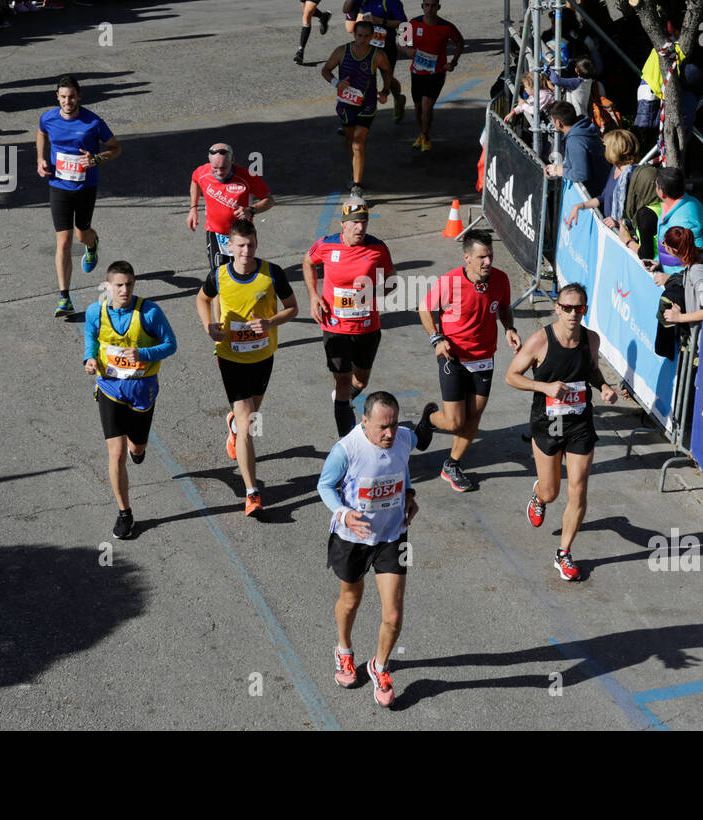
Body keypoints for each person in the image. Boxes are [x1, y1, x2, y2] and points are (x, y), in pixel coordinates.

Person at [504, 281, 618, 581]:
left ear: (585, 309)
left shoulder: (591, 339)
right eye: (566, 308)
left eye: (578, 308)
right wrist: (545, 386)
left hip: (580, 421)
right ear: (557, 308)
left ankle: (564, 552)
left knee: (578, 488)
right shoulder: (540, 341)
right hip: (549, 421)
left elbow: (592, 369)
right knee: (552, 491)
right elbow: (511, 376)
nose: (572, 314)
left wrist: (604, 387)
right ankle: (539, 497)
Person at [319, 391, 420, 708]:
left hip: (392, 535)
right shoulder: (346, 449)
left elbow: (401, 465)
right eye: (382, 427)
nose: (389, 433)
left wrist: (410, 493)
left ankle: (380, 667)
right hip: (354, 538)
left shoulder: (404, 438)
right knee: (351, 600)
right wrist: (344, 513)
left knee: (393, 613)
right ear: (364, 422)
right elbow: (324, 485)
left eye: (394, 424)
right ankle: (344, 650)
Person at [195, 218, 298, 516]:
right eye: (240, 245)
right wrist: (208, 326)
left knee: (250, 418)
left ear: (257, 243)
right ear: (230, 246)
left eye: (250, 244)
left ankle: (233, 426)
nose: (245, 251)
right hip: (230, 357)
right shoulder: (220, 275)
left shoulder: (272, 274)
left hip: (263, 357)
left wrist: (270, 322)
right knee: (247, 427)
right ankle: (252, 493)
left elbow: (293, 308)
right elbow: (202, 299)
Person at [304, 196, 428, 437]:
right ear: (343, 223)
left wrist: (375, 291)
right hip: (335, 326)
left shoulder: (377, 247)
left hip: (367, 328)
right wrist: (313, 295)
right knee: (341, 382)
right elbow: (308, 262)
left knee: (360, 382)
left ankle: (345, 400)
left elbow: (392, 280)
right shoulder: (327, 246)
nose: (360, 228)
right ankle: (347, 440)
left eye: (364, 222)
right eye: (355, 222)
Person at [418, 229, 521, 492]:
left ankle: (451, 465)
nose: (488, 262)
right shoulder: (449, 282)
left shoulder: (500, 279)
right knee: (455, 422)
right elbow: (425, 308)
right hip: (453, 356)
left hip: (484, 357)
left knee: (473, 416)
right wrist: (436, 339)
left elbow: (505, 306)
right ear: (467, 257)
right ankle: (430, 418)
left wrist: (510, 329)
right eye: (482, 257)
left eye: (491, 256)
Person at [84, 260, 178, 539]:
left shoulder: (150, 312)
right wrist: (89, 358)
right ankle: (125, 513)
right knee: (116, 454)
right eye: (119, 285)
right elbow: (91, 336)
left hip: (141, 389)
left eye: (129, 284)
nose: (124, 290)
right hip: (110, 388)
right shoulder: (95, 311)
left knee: (136, 448)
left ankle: (137, 448)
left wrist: (144, 355)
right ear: (107, 286)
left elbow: (171, 344)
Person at [36, 74, 121, 317]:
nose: (67, 101)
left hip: (85, 187)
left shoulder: (93, 122)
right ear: (57, 97)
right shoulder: (48, 118)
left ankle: (92, 244)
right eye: (63, 97)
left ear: (79, 96)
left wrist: (96, 158)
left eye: (71, 96)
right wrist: (41, 159)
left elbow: (116, 148)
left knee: (82, 234)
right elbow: (41, 133)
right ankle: (64, 298)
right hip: (59, 185)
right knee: (63, 241)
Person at [320, 19, 391, 197]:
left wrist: (385, 91)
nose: (362, 40)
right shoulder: (342, 51)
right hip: (346, 106)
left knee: (358, 144)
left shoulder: (377, 55)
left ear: (372, 37)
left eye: (366, 37)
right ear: (354, 34)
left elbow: (387, 70)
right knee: (350, 141)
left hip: (367, 106)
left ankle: (356, 185)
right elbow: (326, 70)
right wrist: (337, 82)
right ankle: (355, 170)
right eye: (359, 36)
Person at [187, 142, 273, 275]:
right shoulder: (203, 172)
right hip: (215, 233)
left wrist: (251, 210)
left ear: (232, 160)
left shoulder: (248, 176)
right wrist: (193, 208)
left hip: (241, 234)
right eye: (215, 168)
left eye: (224, 168)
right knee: (217, 275)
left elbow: (269, 200)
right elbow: (195, 181)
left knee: (242, 272)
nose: (220, 172)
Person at [342, 0, 407, 123]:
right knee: (363, 80)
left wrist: (381, 21)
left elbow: (404, 24)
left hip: (386, 46)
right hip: (367, 46)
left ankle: (399, 99)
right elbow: (346, 9)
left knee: (388, 78)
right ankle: (355, 118)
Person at [406, 0, 463, 151]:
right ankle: (422, 133)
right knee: (418, 108)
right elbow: (400, 42)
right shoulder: (414, 23)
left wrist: (453, 62)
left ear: (439, 7)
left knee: (426, 106)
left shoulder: (446, 27)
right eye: (427, 5)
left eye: (433, 6)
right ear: (422, 6)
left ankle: (425, 135)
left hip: (436, 73)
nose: (429, 9)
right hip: (416, 73)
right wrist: (407, 51)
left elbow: (460, 42)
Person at [563, 128, 640, 233]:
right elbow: (603, 197)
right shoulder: (615, 168)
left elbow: (641, 213)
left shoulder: (633, 175)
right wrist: (580, 206)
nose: (603, 149)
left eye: (605, 146)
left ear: (614, 150)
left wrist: (619, 222)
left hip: (626, 236)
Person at [658, 226, 703, 332]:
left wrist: (680, 317)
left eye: (664, 244)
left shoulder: (698, 272)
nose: (663, 245)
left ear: (672, 250)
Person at [542, 100, 611, 205]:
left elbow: (581, 174)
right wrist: (558, 170)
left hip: (595, 199)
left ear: (558, 123)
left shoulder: (576, 141)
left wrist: (559, 171)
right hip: (601, 192)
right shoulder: (583, 129)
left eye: (552, 120)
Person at [652, 166, 703, 274]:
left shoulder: (684, 222)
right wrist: (658, 261)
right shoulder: (679, 205)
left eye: (655, 185)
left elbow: (700, 261)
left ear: (662, 192)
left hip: (683, 286)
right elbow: (673, 248)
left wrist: (671, 280)